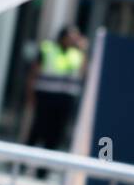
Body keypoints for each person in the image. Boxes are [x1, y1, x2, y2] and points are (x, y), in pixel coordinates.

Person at [24, 24, 88, 177]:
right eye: (71, 36)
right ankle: (21, 164)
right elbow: (34, 73)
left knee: (55, 136)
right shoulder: (48, 49)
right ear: (63, 36)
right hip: (46, 98)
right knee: (37, 132)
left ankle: (43, 171)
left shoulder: (77, 54)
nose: (74, 40)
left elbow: (85, 73)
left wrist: (83, 50)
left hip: (65, 102)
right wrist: (30, 95)